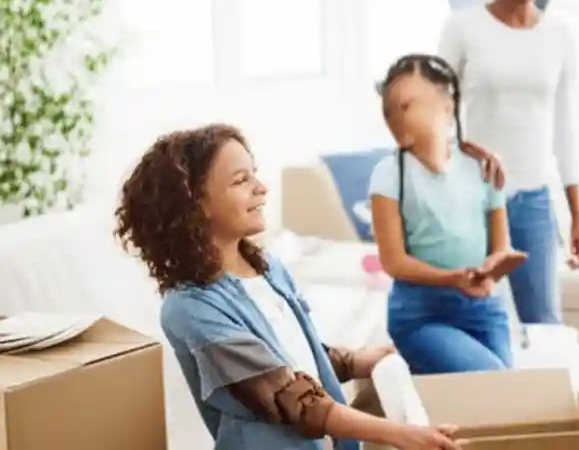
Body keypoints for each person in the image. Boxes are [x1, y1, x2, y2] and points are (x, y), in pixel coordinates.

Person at [114, 124, 461, 450]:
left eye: (255, 174)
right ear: (196, 204)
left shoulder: (269, 269)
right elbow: (293, 398)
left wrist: (355, 361)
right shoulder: (190, 309)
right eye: (240, 180)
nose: (261, 188)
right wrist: (403, 436)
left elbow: (293, 356)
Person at [437, 0, 579, 325]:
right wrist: (462, 149)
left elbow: (565, 132)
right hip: (472, 198)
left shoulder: (560, 35)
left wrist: (576, 216)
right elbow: (437, 115)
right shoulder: (463, 27)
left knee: (544, 323)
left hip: (534, 202)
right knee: (480, 317)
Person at [370, 54, 527, 375]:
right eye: (389, 110)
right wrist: (453, 279)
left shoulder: (482, 167)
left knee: (506, 398)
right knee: (494, 382)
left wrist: (493, 267)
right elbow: (394, 262)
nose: (396, 117)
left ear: (447, 105)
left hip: (484, 310)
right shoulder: (389, 174)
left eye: (407, 104)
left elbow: (500, 246)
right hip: (421, 316)